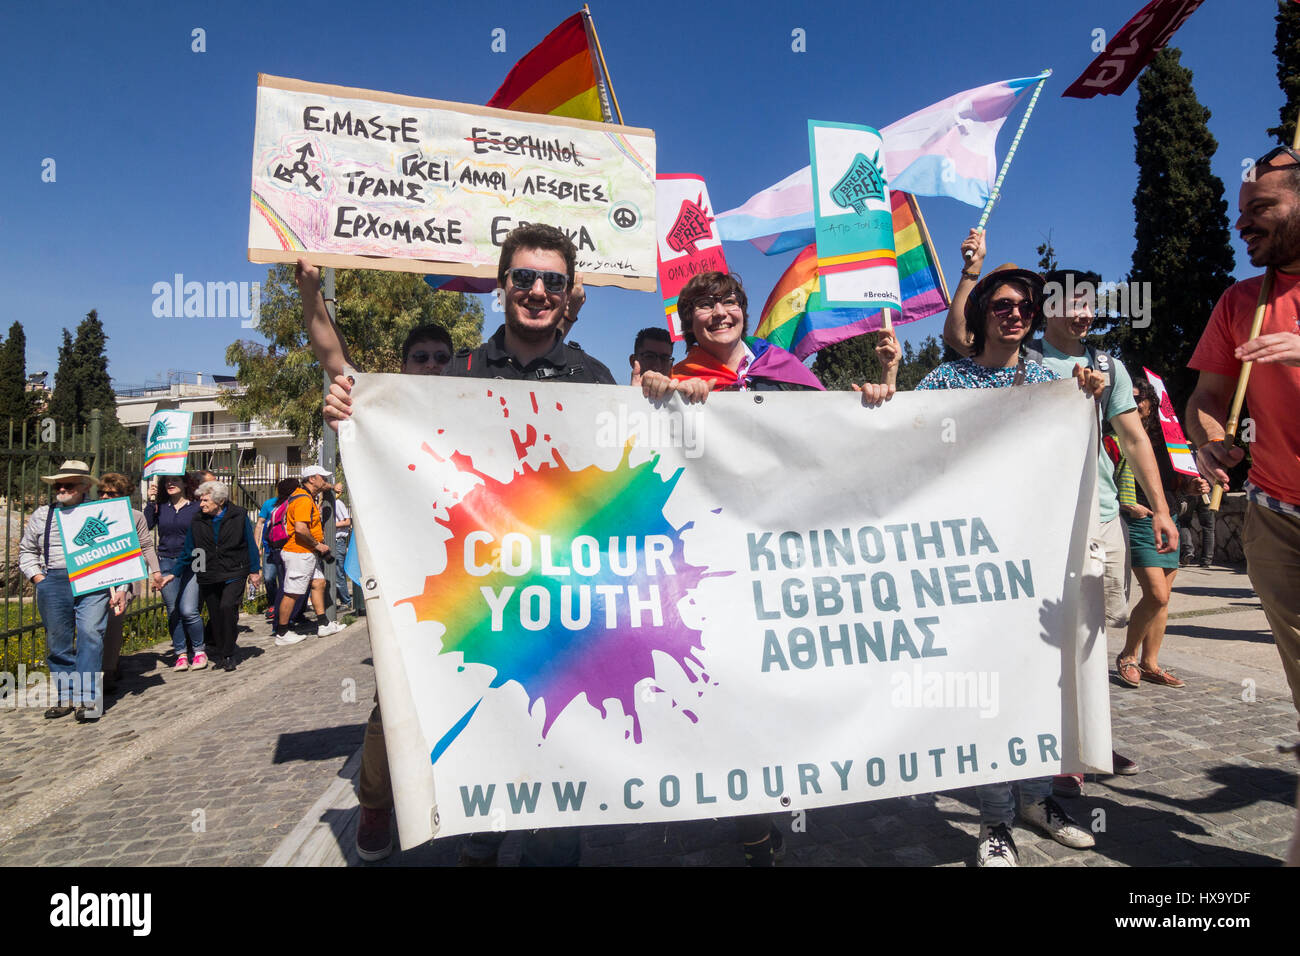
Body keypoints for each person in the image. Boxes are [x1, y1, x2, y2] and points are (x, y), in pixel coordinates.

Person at [318, 222, 615, 866]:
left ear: (568, 295)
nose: (537, 290)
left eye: (553, 281)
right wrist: (354, 411)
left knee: (559, 765)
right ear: (502, 285)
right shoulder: (453, 374)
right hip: (476, 601)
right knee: (486, 745)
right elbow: (401, 458)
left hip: (564, 605)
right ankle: (478, 844)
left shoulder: (596, 379)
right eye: (524, 278)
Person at [946, 234, 1175, 792]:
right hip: (1027, 521)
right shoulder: (1019, 356)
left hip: (1093, 515)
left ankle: (1089, 738)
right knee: (1043, 634)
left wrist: (1162, 510)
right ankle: (1051, 745)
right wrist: (972, 273)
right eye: (1073, 301)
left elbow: (1137, 440)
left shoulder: (1107, 367)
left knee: (1092, 634)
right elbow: (960, 342)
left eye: (1091, 303)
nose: (1085, 312)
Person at [920, 263, 1100, 867]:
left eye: (1025, 304)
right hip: (974, 558)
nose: (1016, 313)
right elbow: (900, 438)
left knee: (1044, 681)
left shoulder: (1055, 378)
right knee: (991, 690)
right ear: (982, 313)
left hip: (1042, 554)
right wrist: (883, 389)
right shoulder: (946, 381)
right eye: (1001, 305)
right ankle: (995, 822)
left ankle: (1038, 799)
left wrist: (1088, 393)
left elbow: (1081, 439)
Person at [1185, 144, 1300, 725]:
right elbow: (1206, 398)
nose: (1240, 223)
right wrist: (1207, 440)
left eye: (1260, 206)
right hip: (1276, 520)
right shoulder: (1239, 301)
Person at [1114, 380, 1209, 689]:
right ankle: (1128, 656)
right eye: (1128, 398)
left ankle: (1150, 663)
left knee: (1163, 602)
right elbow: (1103, 481)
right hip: (1138, 522)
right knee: (1157, 594)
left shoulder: (1168, 443)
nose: (1133, 403)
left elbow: (1175, 484)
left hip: (1168, 521)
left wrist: (1193, 487)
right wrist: (1129, 504)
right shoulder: (1115, 438)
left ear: (1152, 404)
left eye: (1138, 398)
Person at [19, 460, 113, 722]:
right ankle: (67, 696)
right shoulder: (42, 514)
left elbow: (120, 553)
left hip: (93, 582)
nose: (60, 488)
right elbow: (27, 550)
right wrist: (39, 578)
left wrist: (121, 587)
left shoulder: (100, 511)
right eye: (58, 484)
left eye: (67, 484)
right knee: (58, 643)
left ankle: (88, 699)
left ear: (84, 486)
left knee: (90, 635)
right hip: (54, 581)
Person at [178, 481, 260, 672]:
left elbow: (250, 543)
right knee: (215, 615)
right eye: (200, 500)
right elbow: (189, 548)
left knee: (227, 607)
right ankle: (223, 654)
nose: (201, 504)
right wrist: (173, 574)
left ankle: (229, 652)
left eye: (205, 500)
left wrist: (255, 570)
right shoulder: (198, 519)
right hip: (209, 572)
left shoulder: (238, 515)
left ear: (220, 501)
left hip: (234, 569)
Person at [97, 472, 163, 689]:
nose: (105, 497)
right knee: (94, 625)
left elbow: (145, 545)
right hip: (98, 577)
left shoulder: (135, 516)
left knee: (114, 624)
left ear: (123, 495)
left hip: (125, 577)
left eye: (111, 493)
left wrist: (156, 571)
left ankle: (108, 670)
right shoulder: (92, 514)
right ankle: (100, 665)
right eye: (102, 493)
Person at [274, 466, 343, 644]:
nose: (325, 481)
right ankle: (282, 632)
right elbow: (301, 529)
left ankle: (323, 624)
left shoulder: (303, 495)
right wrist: (317, 545)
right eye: (322, 477)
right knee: (292, 593)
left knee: (319, 583)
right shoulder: (304, 500)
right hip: (300, 552)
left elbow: (325, 487)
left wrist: (333, 487)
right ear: (312, 479)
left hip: (305, 552)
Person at [145, 472, 207, 671]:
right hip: (166, 561)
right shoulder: (161, 508)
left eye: (175, 480)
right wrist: (150, 501)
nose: (170, 484)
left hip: (193, 560)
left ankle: (199, 650)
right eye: (167, 481)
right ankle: (180, 653)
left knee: (189, 609)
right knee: (173, 609)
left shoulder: (196, 507)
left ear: (185, 483)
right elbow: (145, 525)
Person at [255, 477, 302, 625]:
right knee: (269, 578)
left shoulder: (294, 502)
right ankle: (273, 604)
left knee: (286, 581)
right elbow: (259, 524)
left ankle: (283, 609)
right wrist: (257, 546)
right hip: (271, 548)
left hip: (288, 548)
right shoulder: (270, 504)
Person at [331, 481, 353, 611]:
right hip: (330, 542)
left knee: (338, 573)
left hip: (338, 541)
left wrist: (329, 526)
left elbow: (347, 521)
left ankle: (346, 601)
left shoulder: (337, 503)